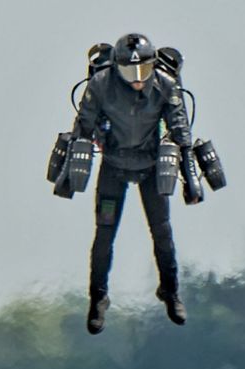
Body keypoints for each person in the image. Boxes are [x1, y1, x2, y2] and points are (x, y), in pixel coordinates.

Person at [71, 33, 202, 335]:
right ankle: (98, 297)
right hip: (113, 167)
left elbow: (180, 130)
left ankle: (170, 291)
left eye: (143, 70)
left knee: (163, 233)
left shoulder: (166, 85)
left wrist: (191, 179)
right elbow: (83, 126)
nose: (138, 78)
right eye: (130, 71)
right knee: (104, 235)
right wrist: (71, 169)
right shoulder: (100, 84)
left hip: (151, 167)